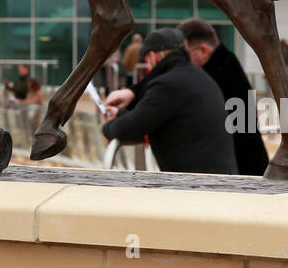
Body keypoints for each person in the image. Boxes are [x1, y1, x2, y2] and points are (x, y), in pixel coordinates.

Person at [101, 28, 237, 175]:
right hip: (219, 181)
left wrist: (108, 125)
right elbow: (154, 118)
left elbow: (129, 128)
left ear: (153, 57)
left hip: (197, 187)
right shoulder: (198, 76)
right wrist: (121, 114)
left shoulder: (167, 85)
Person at [178, 18, 268, 176]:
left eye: (185, 55)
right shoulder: (226, 64)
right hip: (247, 167)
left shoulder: (216, 75)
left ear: (203, 51)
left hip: (240, 172)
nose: (182, 63)